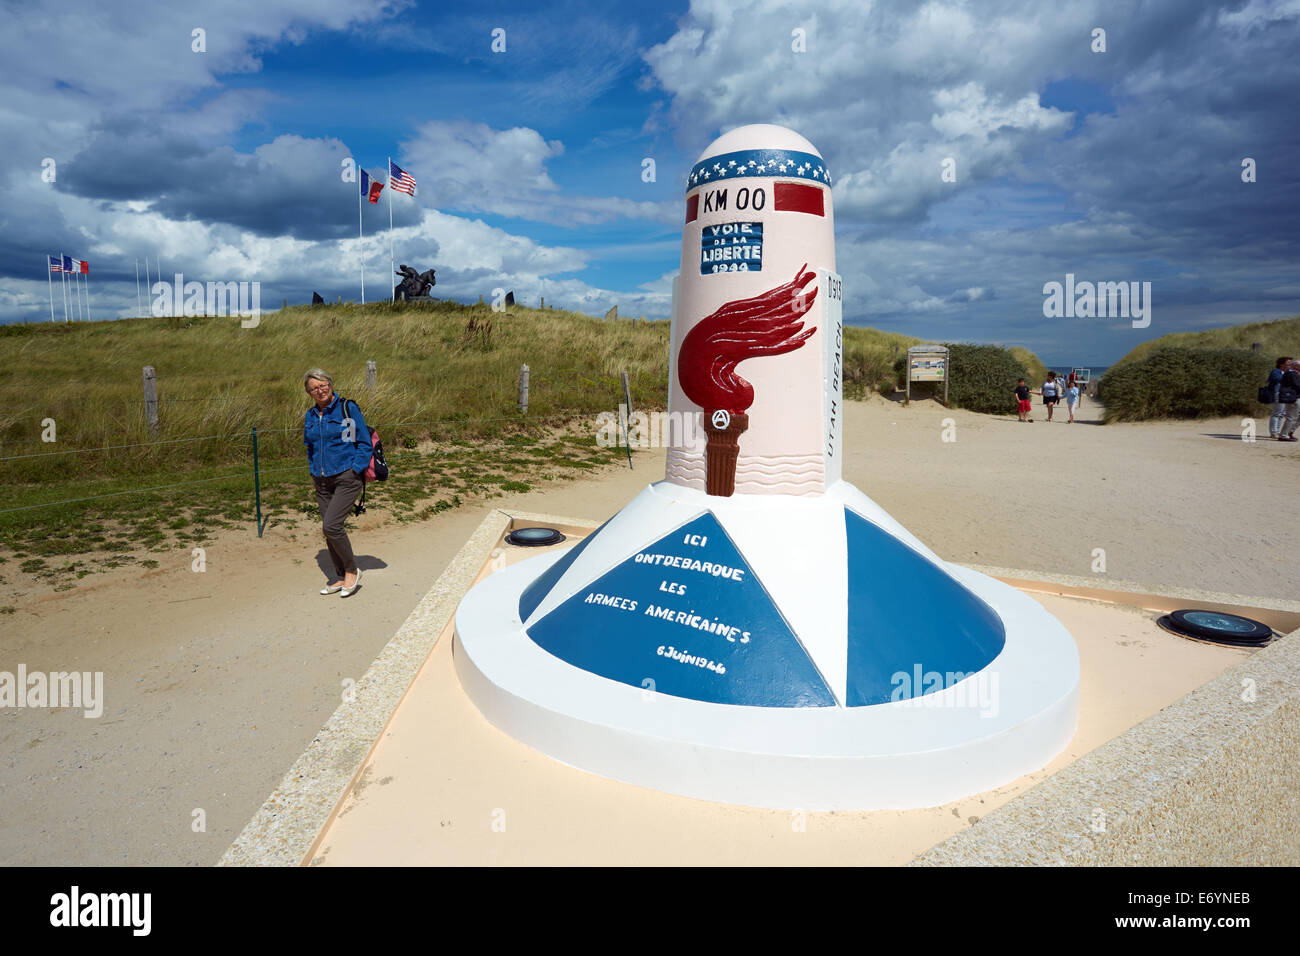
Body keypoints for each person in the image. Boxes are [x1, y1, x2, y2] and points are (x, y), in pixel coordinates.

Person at [303, 368, 372, 596]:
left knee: (331, 525)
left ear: (330, 385)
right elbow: (310, 445)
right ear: (309, 392)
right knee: (330, 530)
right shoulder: (311, 416)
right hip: (321, 481)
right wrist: (314, 470)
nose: (320, 390)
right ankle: (341, 576)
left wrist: (355, 469)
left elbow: (363, 442)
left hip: (345, 477)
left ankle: (352, 570)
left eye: (323, 385)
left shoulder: (347, 409)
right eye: (314, 388)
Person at [1267, 356, 1290, 439]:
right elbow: (1276, 380)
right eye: (1288, 363)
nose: (1289, 365)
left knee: (1282, 414)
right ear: (1281, 364)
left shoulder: (1286, 372)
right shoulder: (1276, 371)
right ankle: (1273, 432)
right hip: (1278, 393)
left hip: (1285, 394)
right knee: (1276, 413)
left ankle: (1277, 431)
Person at [1279, 358, 1300, 442]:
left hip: (1296, 397)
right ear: (1296, 366)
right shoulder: (1291, 373)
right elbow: (1297, 385)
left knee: (1296, 417)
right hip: (1293, 398)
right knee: (1291, 417)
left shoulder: (1294, 373)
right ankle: (1284, 435)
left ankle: (1289, 432)